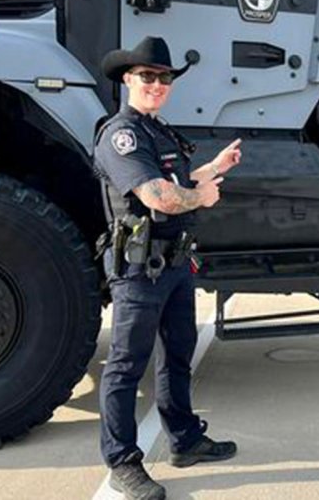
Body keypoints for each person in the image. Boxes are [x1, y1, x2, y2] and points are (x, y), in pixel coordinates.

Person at [94, 36, 242, 500]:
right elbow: (157, 196)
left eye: (164, 77)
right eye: (147, 76)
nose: (157, 84)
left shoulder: (157, 130)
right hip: (140, 269)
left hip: (175, 263)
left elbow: (176, 180)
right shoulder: (122, 135)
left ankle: (184, 440)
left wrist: (213, 168)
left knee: (178, 355)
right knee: (126, 365)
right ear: (128, 79)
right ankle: (122, 462)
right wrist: (201, 197)